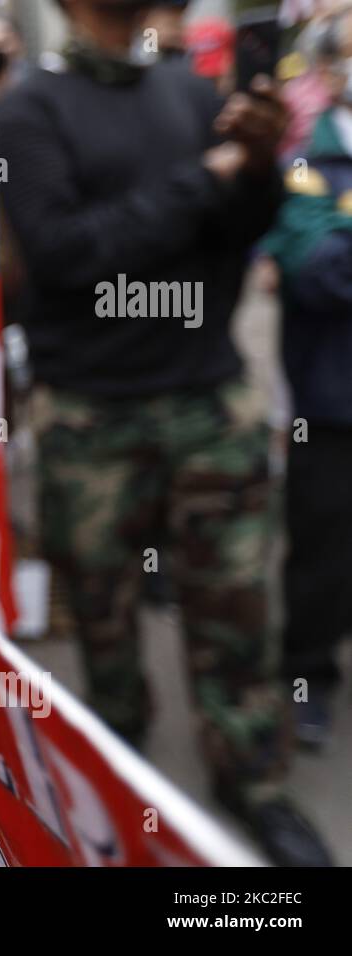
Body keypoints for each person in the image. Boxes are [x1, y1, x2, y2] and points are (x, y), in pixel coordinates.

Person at [0, 0, 331, 865]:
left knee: (236, 619)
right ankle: (120, 790)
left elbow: (234, 239)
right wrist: (210, 176)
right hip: (88, 416)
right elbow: (67, 253)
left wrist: (253, 169)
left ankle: (252, 783)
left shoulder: (190, 94)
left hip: (208, 404)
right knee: (104, 627)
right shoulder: (32, 109)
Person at [262, 6, 352, 750]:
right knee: (322, 547)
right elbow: (317, 270)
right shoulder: (305, 163)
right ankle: (308, 676)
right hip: (330, 401)